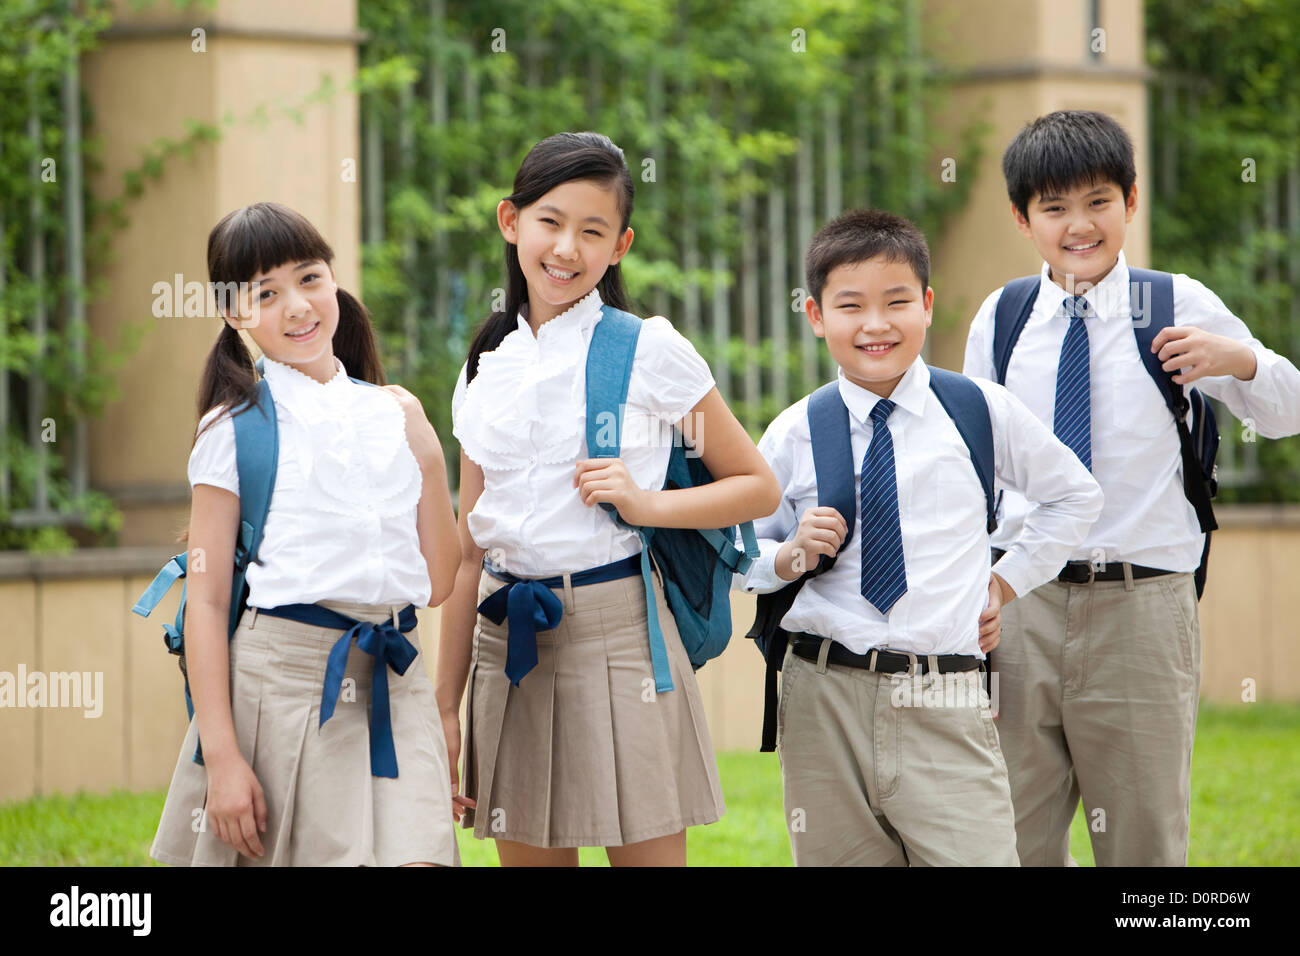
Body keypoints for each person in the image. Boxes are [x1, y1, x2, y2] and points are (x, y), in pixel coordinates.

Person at [963, 109, 1300, 865]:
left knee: (1145, 843)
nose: (1078, 225)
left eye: (1097, 202)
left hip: (1143, 608)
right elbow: (972, 466)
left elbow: (1289, 410)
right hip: (1023, 602)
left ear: (1131, 201)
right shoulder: (1004, 317)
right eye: (1054, 208)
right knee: (1012, 837)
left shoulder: (1174, 302)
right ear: (1022, 218)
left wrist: (1236, 359)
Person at [437, 131, 781, 867]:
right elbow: (470, 553)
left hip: (620, 633)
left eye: (591, 231)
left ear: (619, 244)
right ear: (510, 222)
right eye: (549, 222)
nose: (566, 248)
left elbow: (755, 486)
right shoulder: (482, 366)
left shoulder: (646, 349)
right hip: (507, 644)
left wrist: (644, 503)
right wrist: (444, 704)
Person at [743, 208, 1103, 866]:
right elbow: (740, 551)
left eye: (896, 302)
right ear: (816, 315)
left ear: (927, 305)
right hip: (823, 695)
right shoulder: (795, 430)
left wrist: (1002, 581)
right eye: (850, 305)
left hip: (946, 694)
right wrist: (789, 555)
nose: (875, 324)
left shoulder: (978, 410)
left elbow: (1075, 495)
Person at [150, 202, 461, 867]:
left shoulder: (395, 412)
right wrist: (225, 758)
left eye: (310, 277)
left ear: (334, 281)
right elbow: (204, 604)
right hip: (285, 689)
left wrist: (428, 456)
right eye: (265, 292)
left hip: (394, 675)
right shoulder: (234, 428)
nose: (297, 305)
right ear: (236, 314)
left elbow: (439, 581)